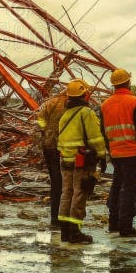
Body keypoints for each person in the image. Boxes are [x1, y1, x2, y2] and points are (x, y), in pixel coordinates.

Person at [100, 68, 136, 237]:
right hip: (132, 153)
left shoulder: (105, 105)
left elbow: (104, 132)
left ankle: (113, 223)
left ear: (113, 85)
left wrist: (111, 150)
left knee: (116, 187)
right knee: (129, 190)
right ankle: (126, 226)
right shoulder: (135, 102)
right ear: (128, 82)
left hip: (116, 153)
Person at [57, 79, 107, 244]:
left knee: (67, 193)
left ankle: (65, 231)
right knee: (79, 194)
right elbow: (95, 137)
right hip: (81, 162)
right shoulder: (86, 113)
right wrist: (102, 154)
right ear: (85, 94)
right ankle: (75, 232)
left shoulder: (65, 115)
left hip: (66, 160)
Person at [35, 90, 68, 227]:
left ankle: (55, 218)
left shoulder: (47, 104)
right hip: (65, 147)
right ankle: (64, 218)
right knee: (67, 184)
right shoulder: (71, 104)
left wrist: (46, 132)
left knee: (55, 182)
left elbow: (39, 122)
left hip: (48, 146)